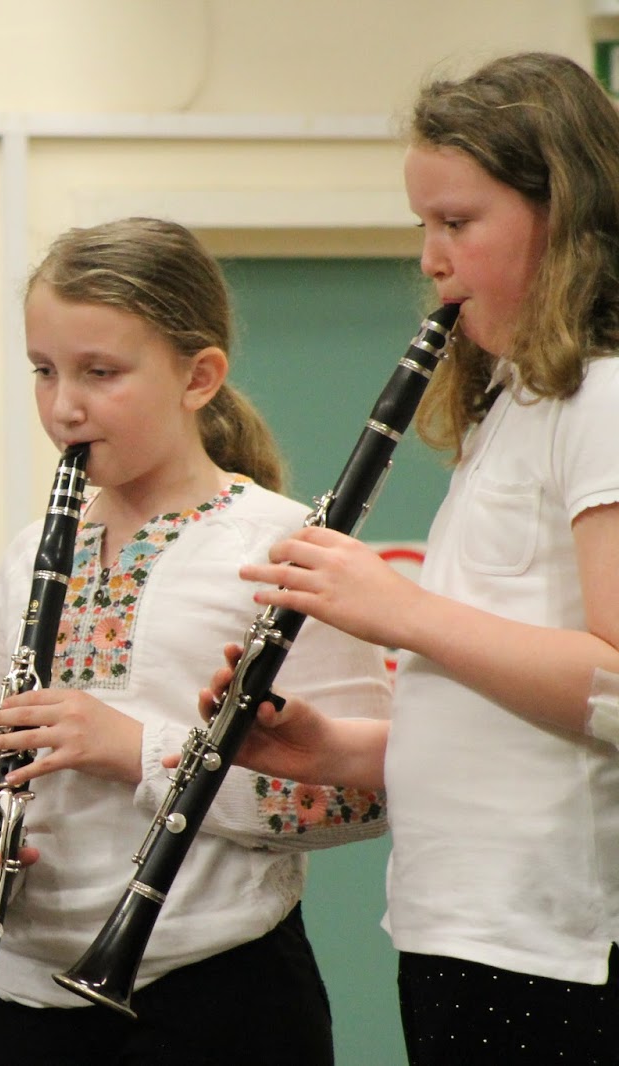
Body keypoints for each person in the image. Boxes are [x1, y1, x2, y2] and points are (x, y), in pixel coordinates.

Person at [201, 51, 619, 1065]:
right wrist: (334, 750)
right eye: (421, 224)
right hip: (456, 923)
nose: (429, 258)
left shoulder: (603, 397)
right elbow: (505, 712)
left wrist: (393, 607)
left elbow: (612, 685)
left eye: (457, 223)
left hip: (554, 944)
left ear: (559, 214)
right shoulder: (513, 400)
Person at [0, 217, 393, 1064]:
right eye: (44, 372)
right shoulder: (31, 553)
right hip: (21, 1003)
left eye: (100, 373)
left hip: (216, 999)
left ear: (200, 377)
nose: (63, 405)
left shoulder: (286, 547)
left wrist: (136, 750)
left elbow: (358, 798)